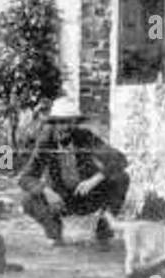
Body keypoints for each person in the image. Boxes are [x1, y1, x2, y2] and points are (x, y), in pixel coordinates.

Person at [19, 98, 129, 245]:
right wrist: (46, 190)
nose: (64, 127)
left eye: (69, 122)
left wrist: (95, 179)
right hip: (61, 199)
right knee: (28, 200)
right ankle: (55, 234)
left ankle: (104, 231)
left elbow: (120, 159)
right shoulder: (46, 142)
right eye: (61, 122)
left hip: (87, 194)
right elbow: (25, 178)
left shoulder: (85, 137)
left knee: (121, 178)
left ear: (75, 123)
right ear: (55, 123)